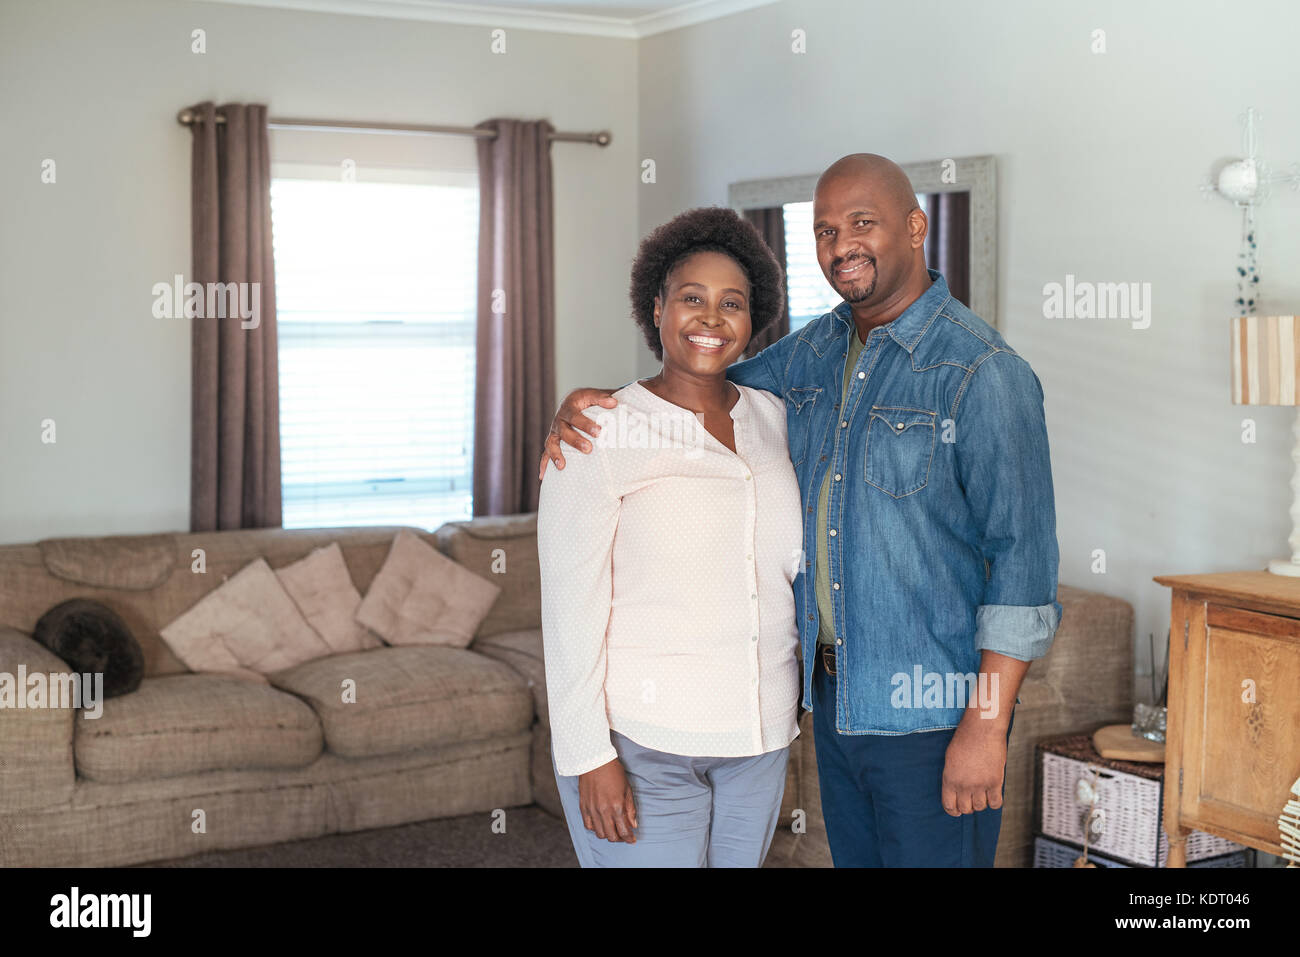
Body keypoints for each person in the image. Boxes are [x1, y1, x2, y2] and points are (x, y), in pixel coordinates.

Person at [540, 153, 1062, 868]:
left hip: (933, 719)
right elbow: (699, 378)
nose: (840, 244)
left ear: (916, 226)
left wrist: (986, 724)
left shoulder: (983, 373)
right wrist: (594, 407)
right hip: (834, 707)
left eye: (862, 223)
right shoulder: (810, 356)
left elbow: (1024, 569)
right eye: (822, 230)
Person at [538, 206, 803, 867]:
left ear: (753, 319)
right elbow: (569, 610)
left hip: (759, 740)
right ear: (657, 307)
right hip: (642, 741)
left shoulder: (779, 420)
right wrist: (587, 754)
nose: (712, 319)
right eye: (692, 298)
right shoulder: (601, 429)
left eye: (732, 303)